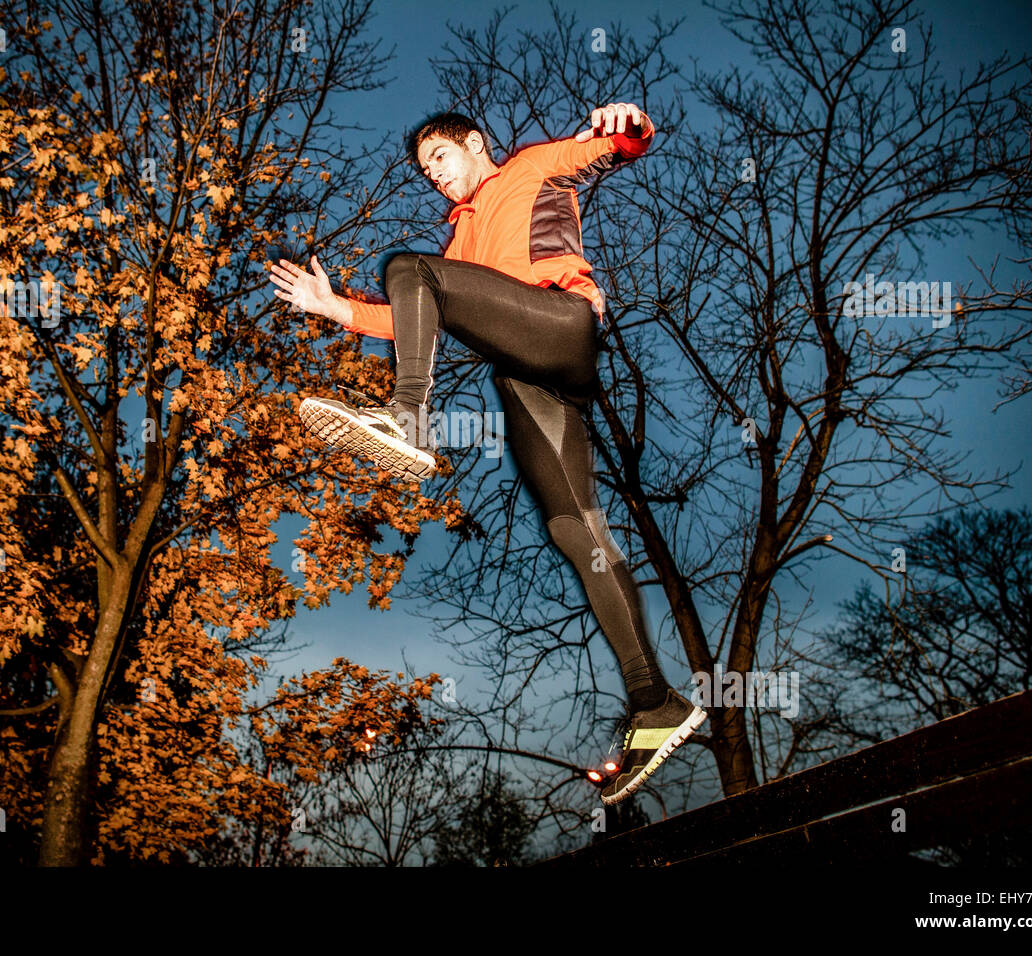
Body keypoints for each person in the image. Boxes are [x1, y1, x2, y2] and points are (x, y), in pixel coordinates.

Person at [267, 102, 705, 806]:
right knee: (577, 531)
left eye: (440, 159)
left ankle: (410, 417)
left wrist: (631, 122)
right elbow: (414, 305)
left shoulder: (532, 166)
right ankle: (655, 702)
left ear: (475, 144)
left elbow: (613, 147)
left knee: (407, 267)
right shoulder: (459, 245)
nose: (435, 178)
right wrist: (334, 309)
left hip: (560, 327)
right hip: (527, 374)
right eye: (424, 172)